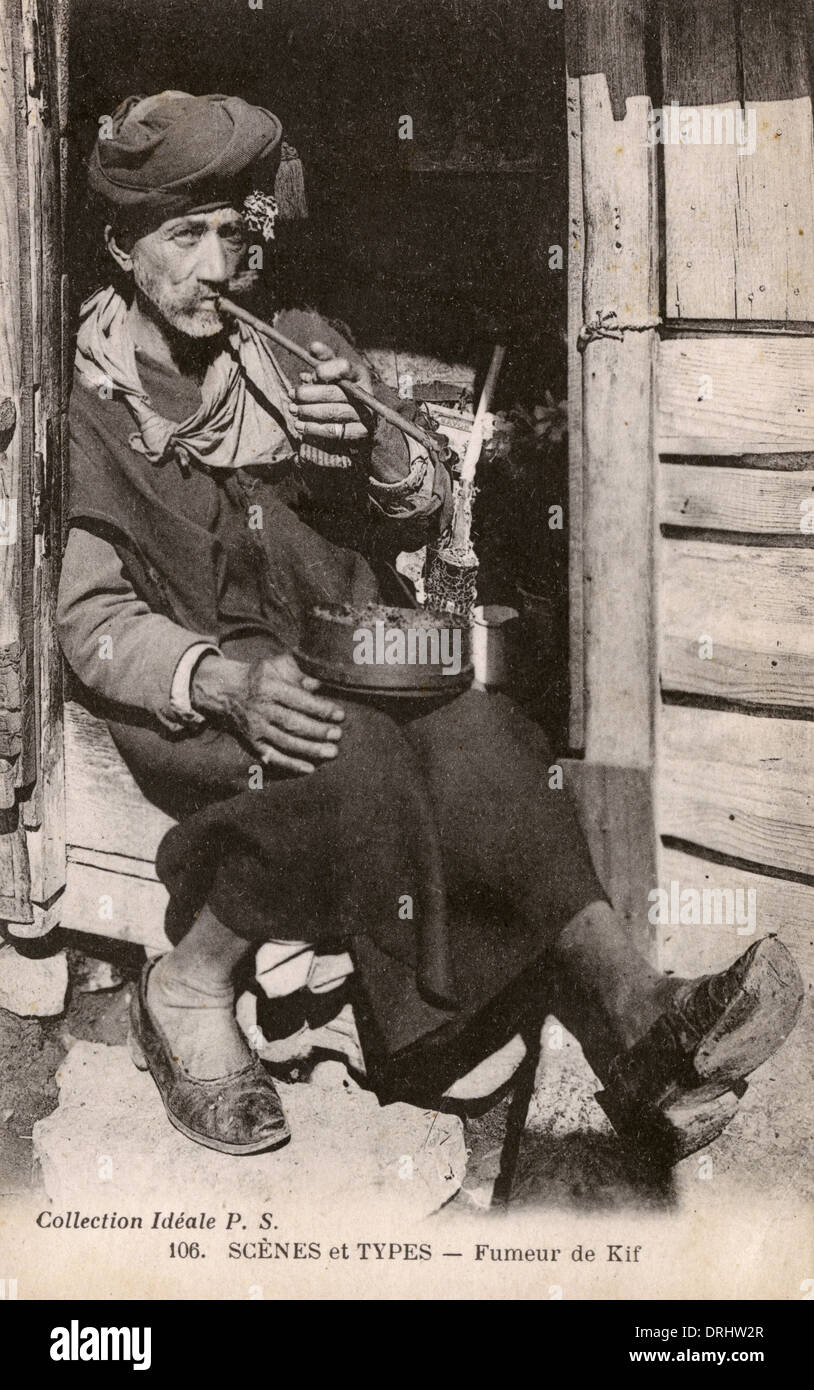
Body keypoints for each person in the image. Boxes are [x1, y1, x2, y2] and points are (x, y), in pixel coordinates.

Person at [57, 90, 803, 1161]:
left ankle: (633, 1008)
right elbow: (91, 620)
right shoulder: (84, 412)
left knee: (484, 729)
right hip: (209, 677)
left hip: (334, 635)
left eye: (232, 234)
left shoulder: (294, 350)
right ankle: (187, 986)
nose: (218, 268)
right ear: (124, 249)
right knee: (346, 761)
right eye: (185, 237)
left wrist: (374, 437)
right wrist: (218, 679)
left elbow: (410, 508)